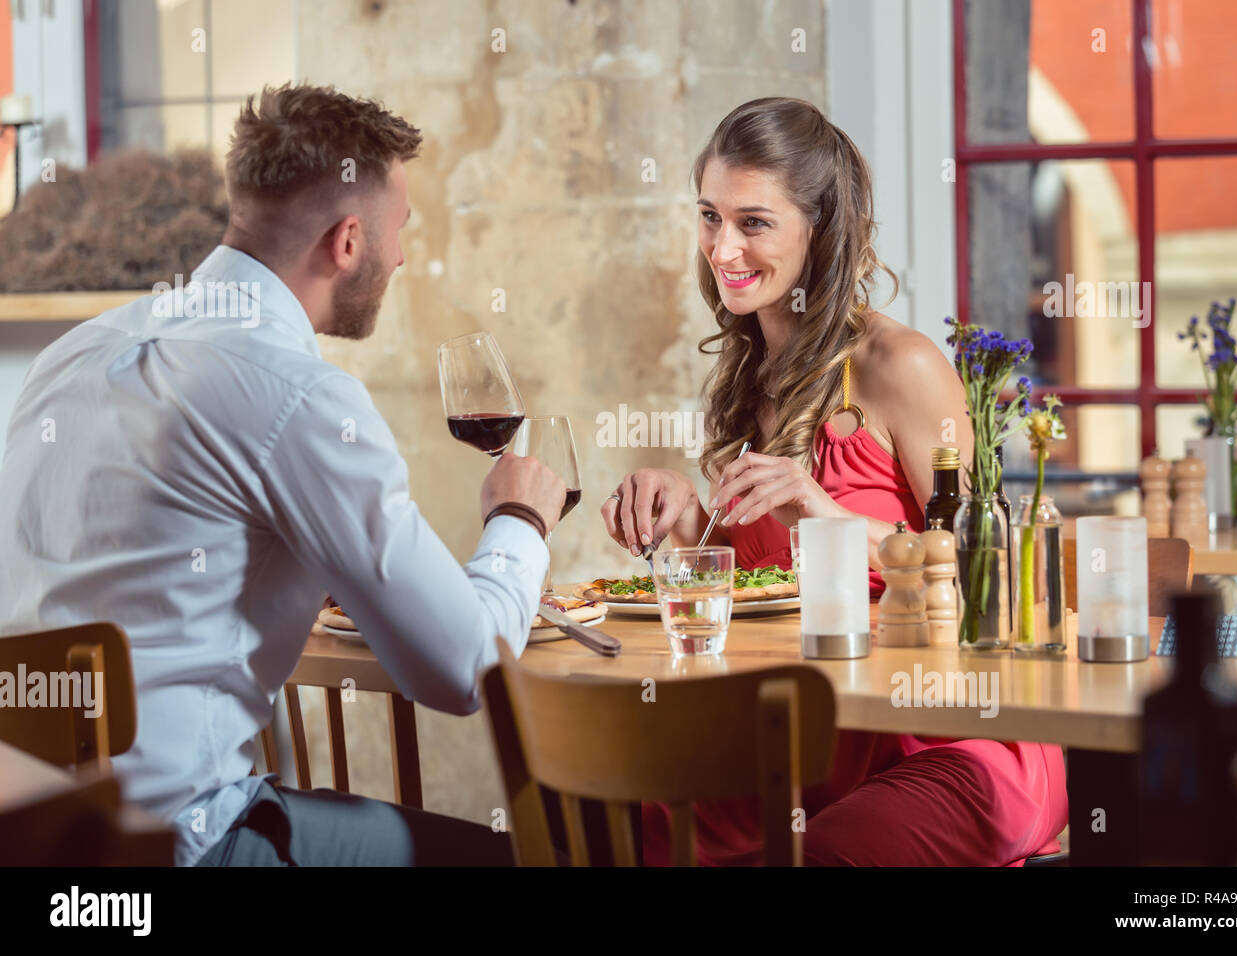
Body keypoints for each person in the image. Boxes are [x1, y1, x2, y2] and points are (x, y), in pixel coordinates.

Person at [0, 83, 565, 866]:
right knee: (523, 857)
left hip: (38, 835)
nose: (401, 255)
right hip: (180, 843)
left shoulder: (74, 356)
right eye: (398, 230)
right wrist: (520, 521)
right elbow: (465, 672)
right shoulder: (298, 395)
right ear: (346, 241)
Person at [602, 97, 1067, 866]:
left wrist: (824, 512)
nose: (723, 248)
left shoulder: (900, 366)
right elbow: (769, 580)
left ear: (819, 231)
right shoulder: (749, 377)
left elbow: (997, 574)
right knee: (619, 823)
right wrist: (687, 518)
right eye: (710, 216)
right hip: (816, 741)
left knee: (825, 857)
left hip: (950, 739)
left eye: (754, 223)